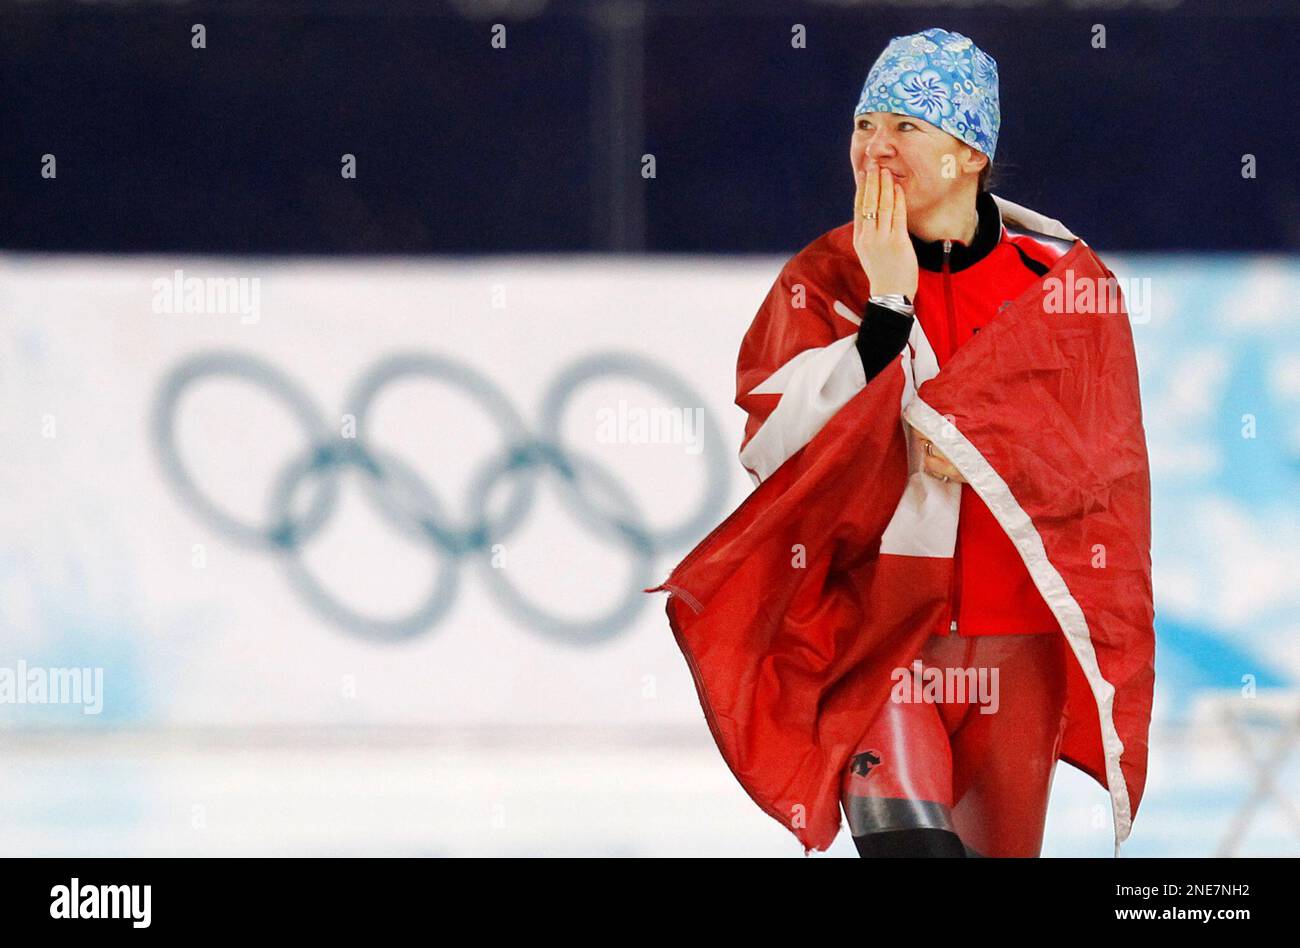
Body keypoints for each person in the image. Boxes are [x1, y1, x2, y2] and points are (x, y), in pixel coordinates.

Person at [744, 28, 1085, 857]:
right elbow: (772, 450)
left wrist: (992, 455)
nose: (876, 147)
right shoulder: (821, 278)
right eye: (865, 124)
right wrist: (888, 307)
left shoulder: (1063, 280)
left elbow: (1098, 462)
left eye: (906, 127)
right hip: (879, 636)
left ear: (970, 152)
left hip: (1018, 648)